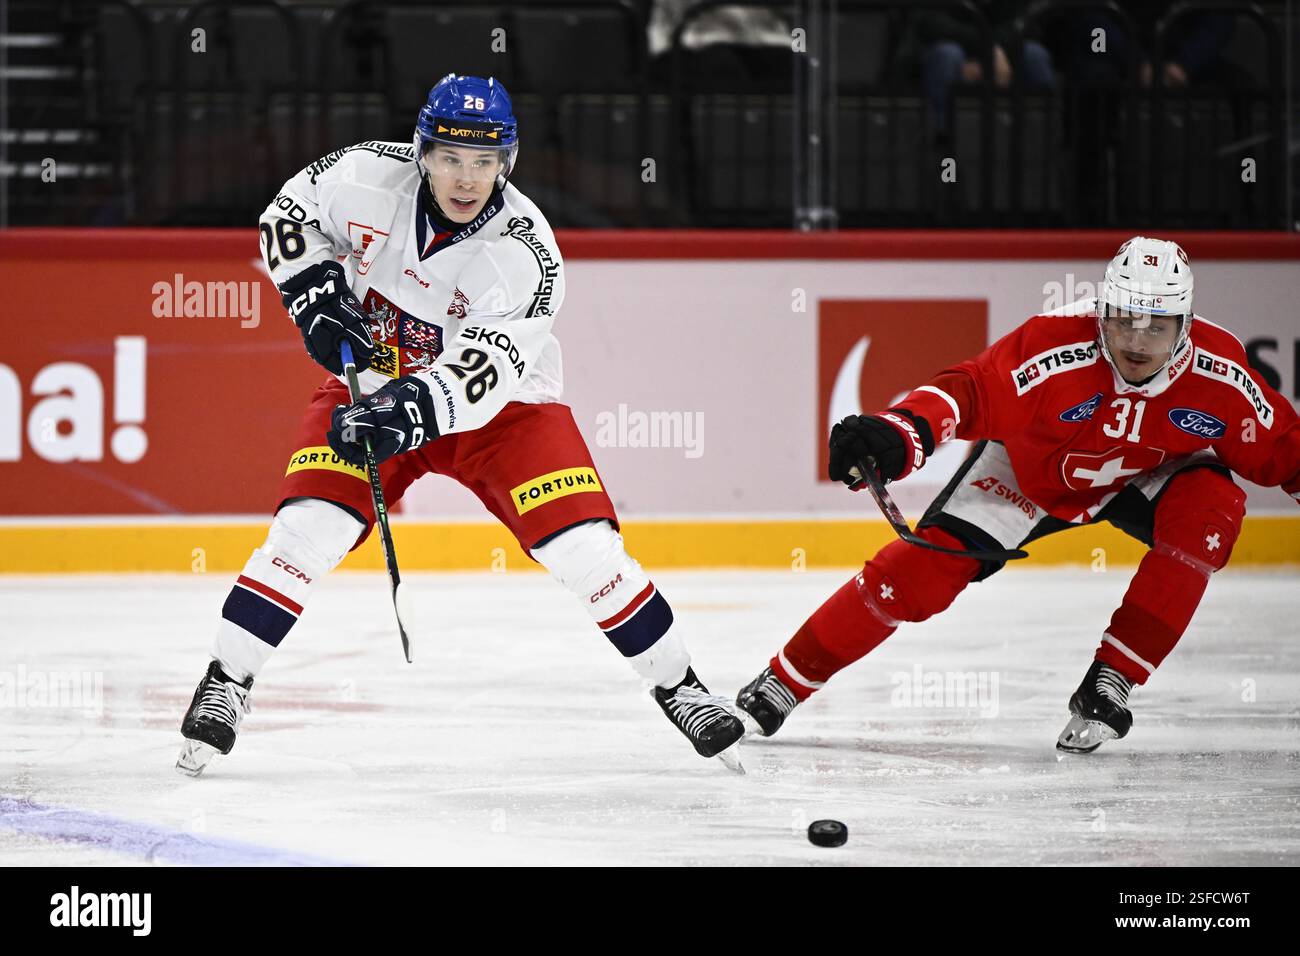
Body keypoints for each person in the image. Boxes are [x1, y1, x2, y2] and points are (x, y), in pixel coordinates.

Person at [176, 73, 744, 776]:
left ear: (508, 161)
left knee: (587, 553)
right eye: (450, 157)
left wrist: (409, 411)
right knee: (306, 531)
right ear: (422, 152)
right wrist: (312, 292)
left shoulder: (526, 251)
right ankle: (227, 680)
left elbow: (486, 374)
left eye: (484, 161)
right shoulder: (362, 175)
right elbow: (285, 218)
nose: (466, 177)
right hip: (374, 383)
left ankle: (680, 686)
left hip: (503, 414)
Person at [735, 236, 1299, 753]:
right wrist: (899, 433)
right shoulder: (1053, 345)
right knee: (917, 577)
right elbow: (967, 393)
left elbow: (1284, 450)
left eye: (1157, 327)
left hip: (1147, 474)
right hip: (1032, 473)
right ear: (1102, 310)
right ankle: (785, 680)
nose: (1136, 341)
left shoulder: (1221, 375)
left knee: (1212, 513)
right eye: (1124, 320)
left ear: (1187, 325)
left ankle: (1114, 679)